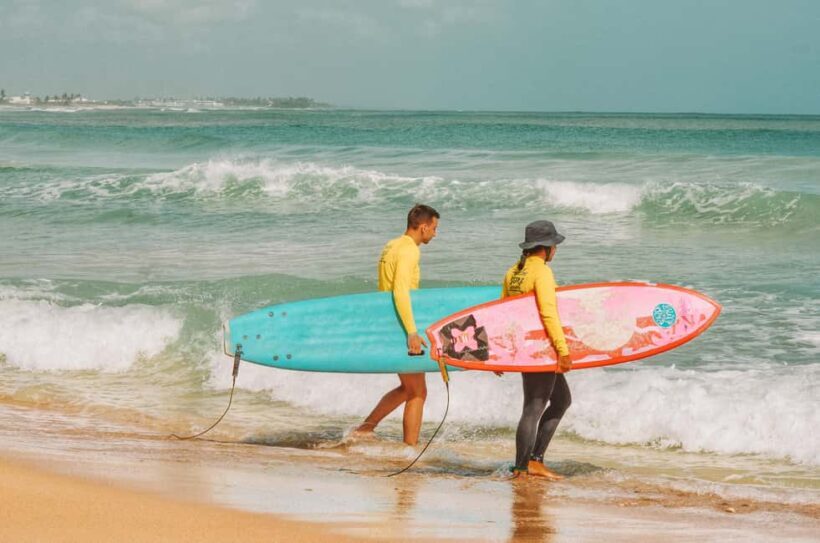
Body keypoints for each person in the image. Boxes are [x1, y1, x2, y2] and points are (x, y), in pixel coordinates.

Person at [354, 204, 440, 445]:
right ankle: (409, 449)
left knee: (406, 388)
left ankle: (365, 429)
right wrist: (412, 332)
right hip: (403, 326)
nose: (435, 233)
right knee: (417, 392)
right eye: (434, 228)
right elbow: (401, 290)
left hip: (391, 323)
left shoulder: (391, 245)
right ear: (423, 227)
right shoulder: (410, 250)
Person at [501, 220, 573, 479]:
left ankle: (533, 460)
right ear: (547, 247)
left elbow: (503, 314)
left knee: (562, 399)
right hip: (540, 349)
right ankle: (524, 466)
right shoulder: (541, 272)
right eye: (555, 245)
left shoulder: (513, 272)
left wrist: (501, 354)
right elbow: (548, 313)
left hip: (525, 348)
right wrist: (563, 350)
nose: (556, 250)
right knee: (534, 407)